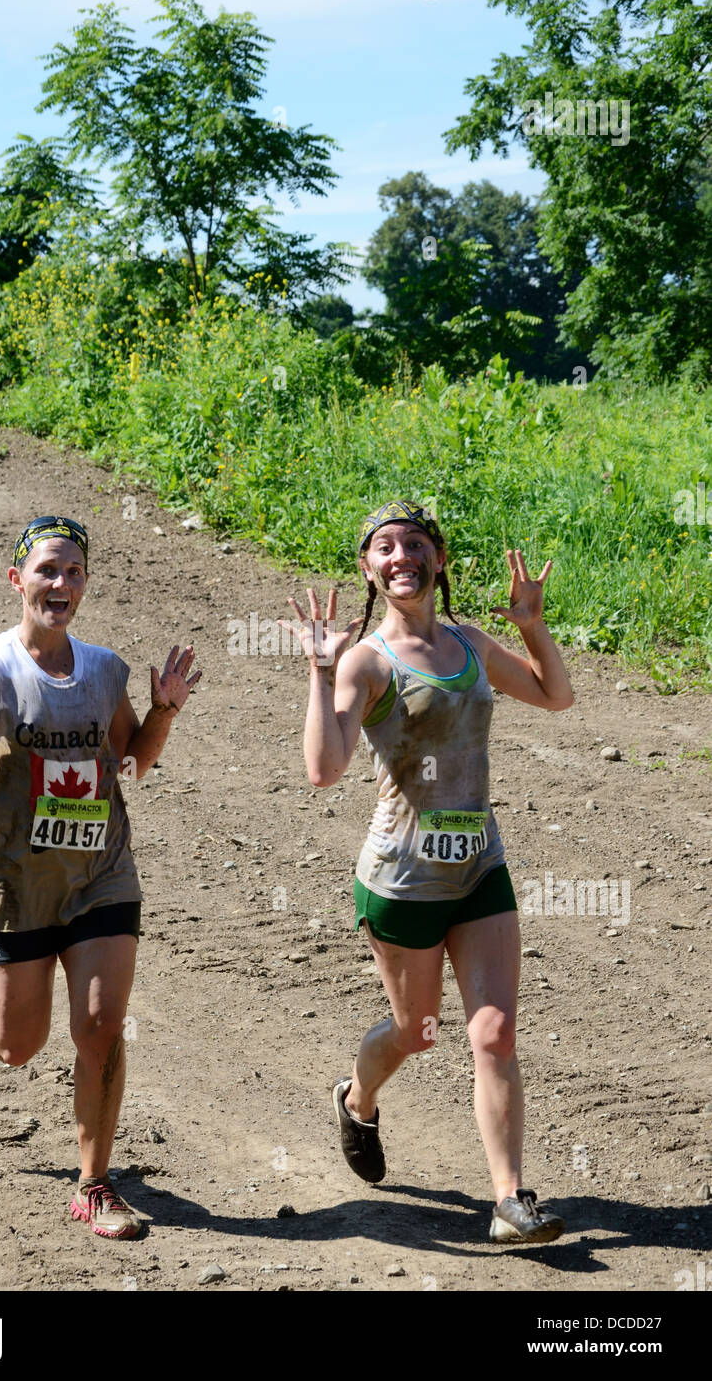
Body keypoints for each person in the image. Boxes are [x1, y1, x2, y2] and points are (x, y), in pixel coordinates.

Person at [0, 514, 200, 1240]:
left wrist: (163, 712)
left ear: (84, 585)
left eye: (74, 571)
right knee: (20, 1042)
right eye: (47, 570)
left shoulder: (105, 668)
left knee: (100, 1025)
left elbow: (131, 763)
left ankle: (94, 1184)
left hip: (99, 874)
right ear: (17, 580)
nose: (61, 584)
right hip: (12, 879)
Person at [287, 499, 573, 1244]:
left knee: (496, 1032)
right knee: (416, 1032)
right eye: (384, 546)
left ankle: (509, 1201)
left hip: (479, 865)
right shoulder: (365, 661)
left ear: (438, 560)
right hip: (401, 876)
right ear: (367, 568)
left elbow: (554, 695)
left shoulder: (470, 643)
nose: (400, 555)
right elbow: (323, 770)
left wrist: (530, 626)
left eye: (415, 544)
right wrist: (320, 674)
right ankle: (357, 1097)